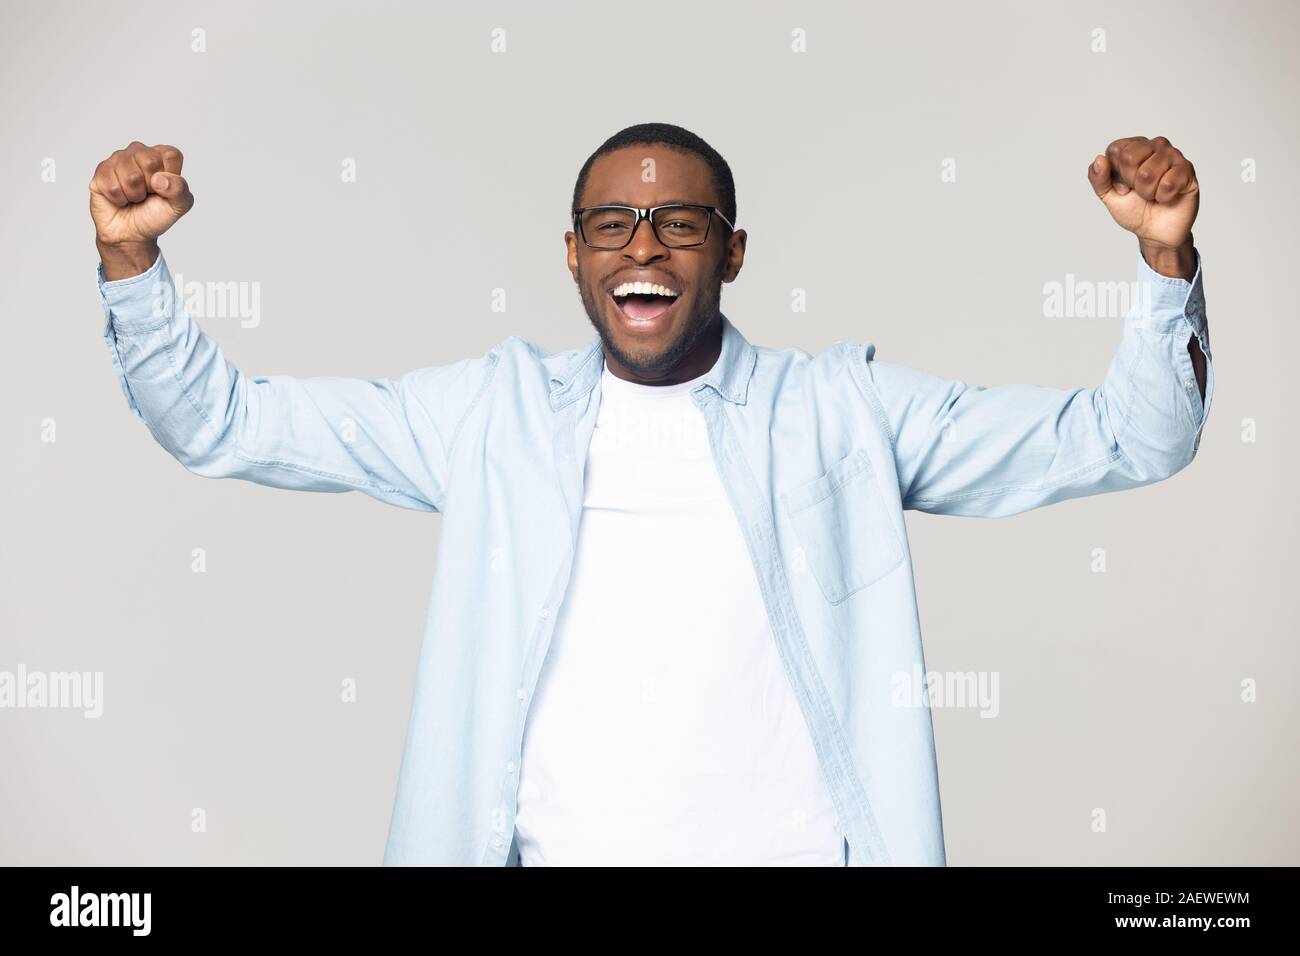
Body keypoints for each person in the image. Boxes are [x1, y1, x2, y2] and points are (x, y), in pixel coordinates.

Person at [91, 123, 1212, 866]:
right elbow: (223, 423)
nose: (645, 244)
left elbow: (1128, 438)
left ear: (730, 253)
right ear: (573, 255)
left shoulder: (844, 412)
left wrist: (1164, 259)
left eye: (681, 221)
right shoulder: (493, 414)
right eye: (613, 224)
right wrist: (134, 263)